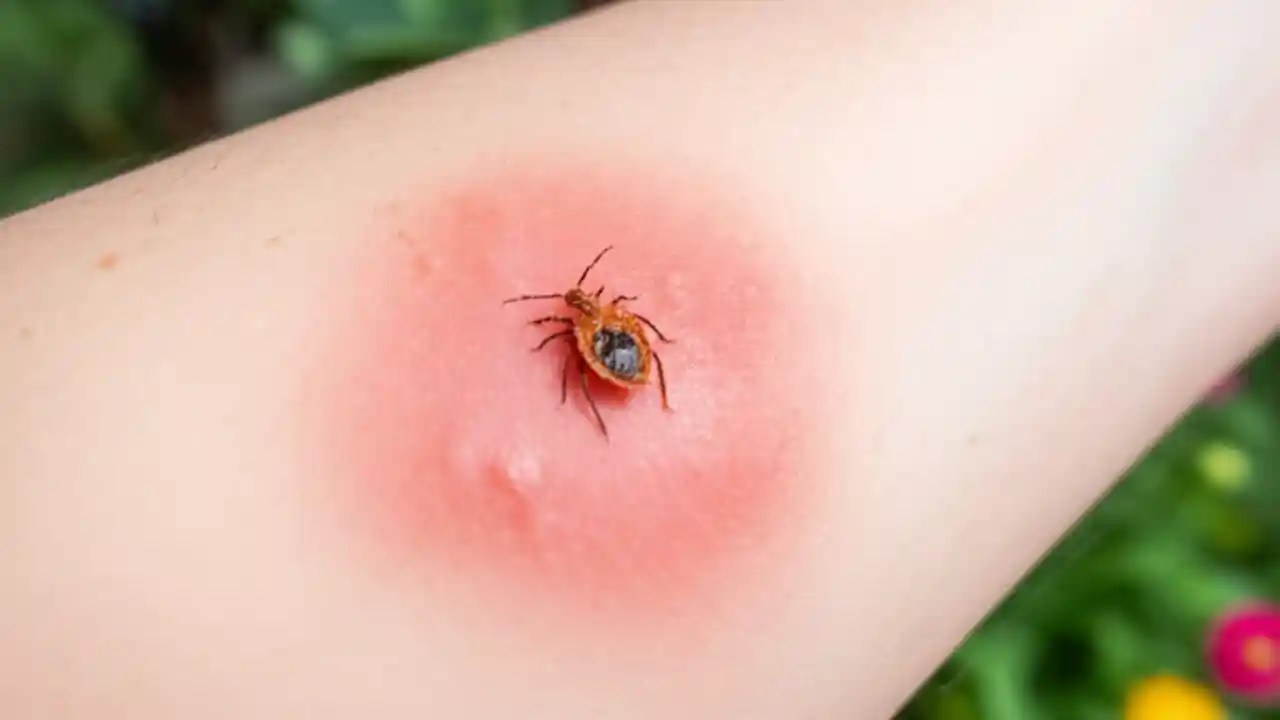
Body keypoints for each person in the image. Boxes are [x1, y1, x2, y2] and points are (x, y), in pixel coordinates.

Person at [1, 2, 1276, 717]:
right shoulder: (585, 331)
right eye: (596, 328)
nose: (596, 329)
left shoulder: (590, 327)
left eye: (606, 330)